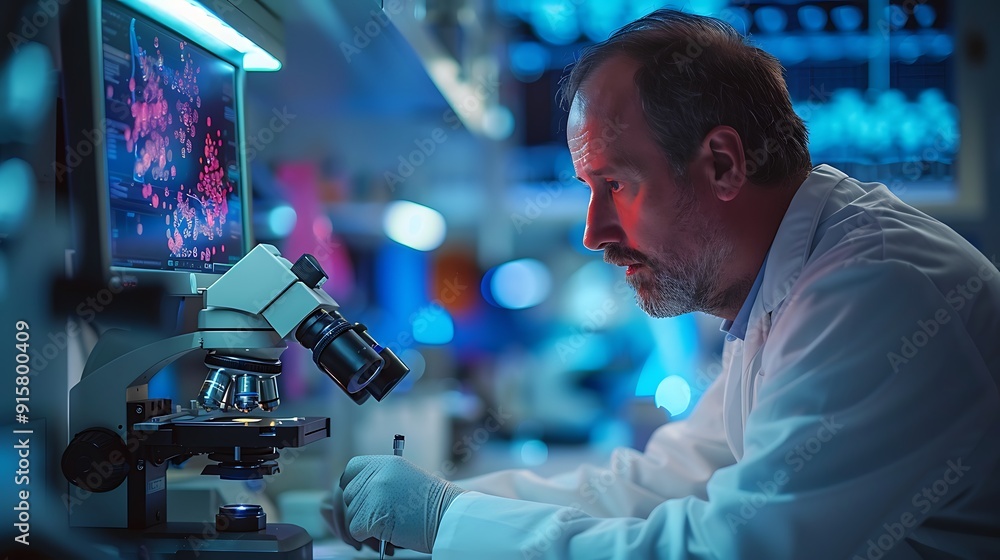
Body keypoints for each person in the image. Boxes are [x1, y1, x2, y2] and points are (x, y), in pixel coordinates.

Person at [324, 9, 1000, 559]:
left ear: (724, 164)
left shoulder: (872, 290)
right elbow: (661, 483)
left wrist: (446, 522)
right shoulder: (779, 285)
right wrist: (444, 498)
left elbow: (728, 552)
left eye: (615, 184)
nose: (593, 231)